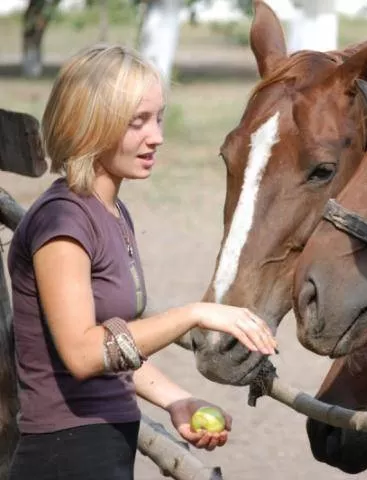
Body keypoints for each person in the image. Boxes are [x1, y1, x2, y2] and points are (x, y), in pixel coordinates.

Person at [7, 43, 277, 480]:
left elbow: (115, 346)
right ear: (91, 126)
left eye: (159, 117)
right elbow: (83, 353)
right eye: (138, 123)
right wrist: (193, 314)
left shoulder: (111, 212)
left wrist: (176, 400)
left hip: (103, 450)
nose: (158, 136)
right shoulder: (62, 222)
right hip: (64, 456)